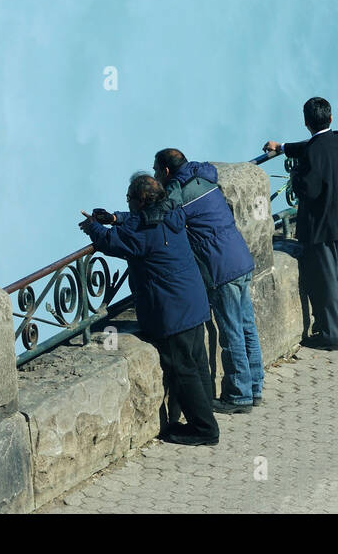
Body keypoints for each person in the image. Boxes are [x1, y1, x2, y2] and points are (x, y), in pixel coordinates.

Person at [79, 174, 219, 446]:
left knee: (183, 368)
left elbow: (112, 243)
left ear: (141, 200)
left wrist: (93, 227)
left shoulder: (144, 233)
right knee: (197, 361)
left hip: (172, 310)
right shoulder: (172, 213)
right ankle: (207, 412)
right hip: (193, 301)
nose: (128, 202)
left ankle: (205, 429)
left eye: (129, 199)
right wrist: (115, 218)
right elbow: (144, 219)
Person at [154, 148, 263, 413]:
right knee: (247, 325)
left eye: (156, 171)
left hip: (221, 269)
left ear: (167, 171)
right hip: (240, 258)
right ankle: (255, 387)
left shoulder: (180, 193)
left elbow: (165, 216)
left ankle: (239, 395)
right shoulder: (206, 177)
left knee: (231, 332)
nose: (155, 176)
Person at [262, 97, 338, 350]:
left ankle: (332, 336)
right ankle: (332, 325)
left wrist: (294, 174)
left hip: (321, 226)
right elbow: (315, 145)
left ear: (305, 123)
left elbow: (307, 190)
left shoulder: (313, 150)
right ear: (331, 119)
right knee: (337, 277)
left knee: (326, 281)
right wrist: (283, 147)